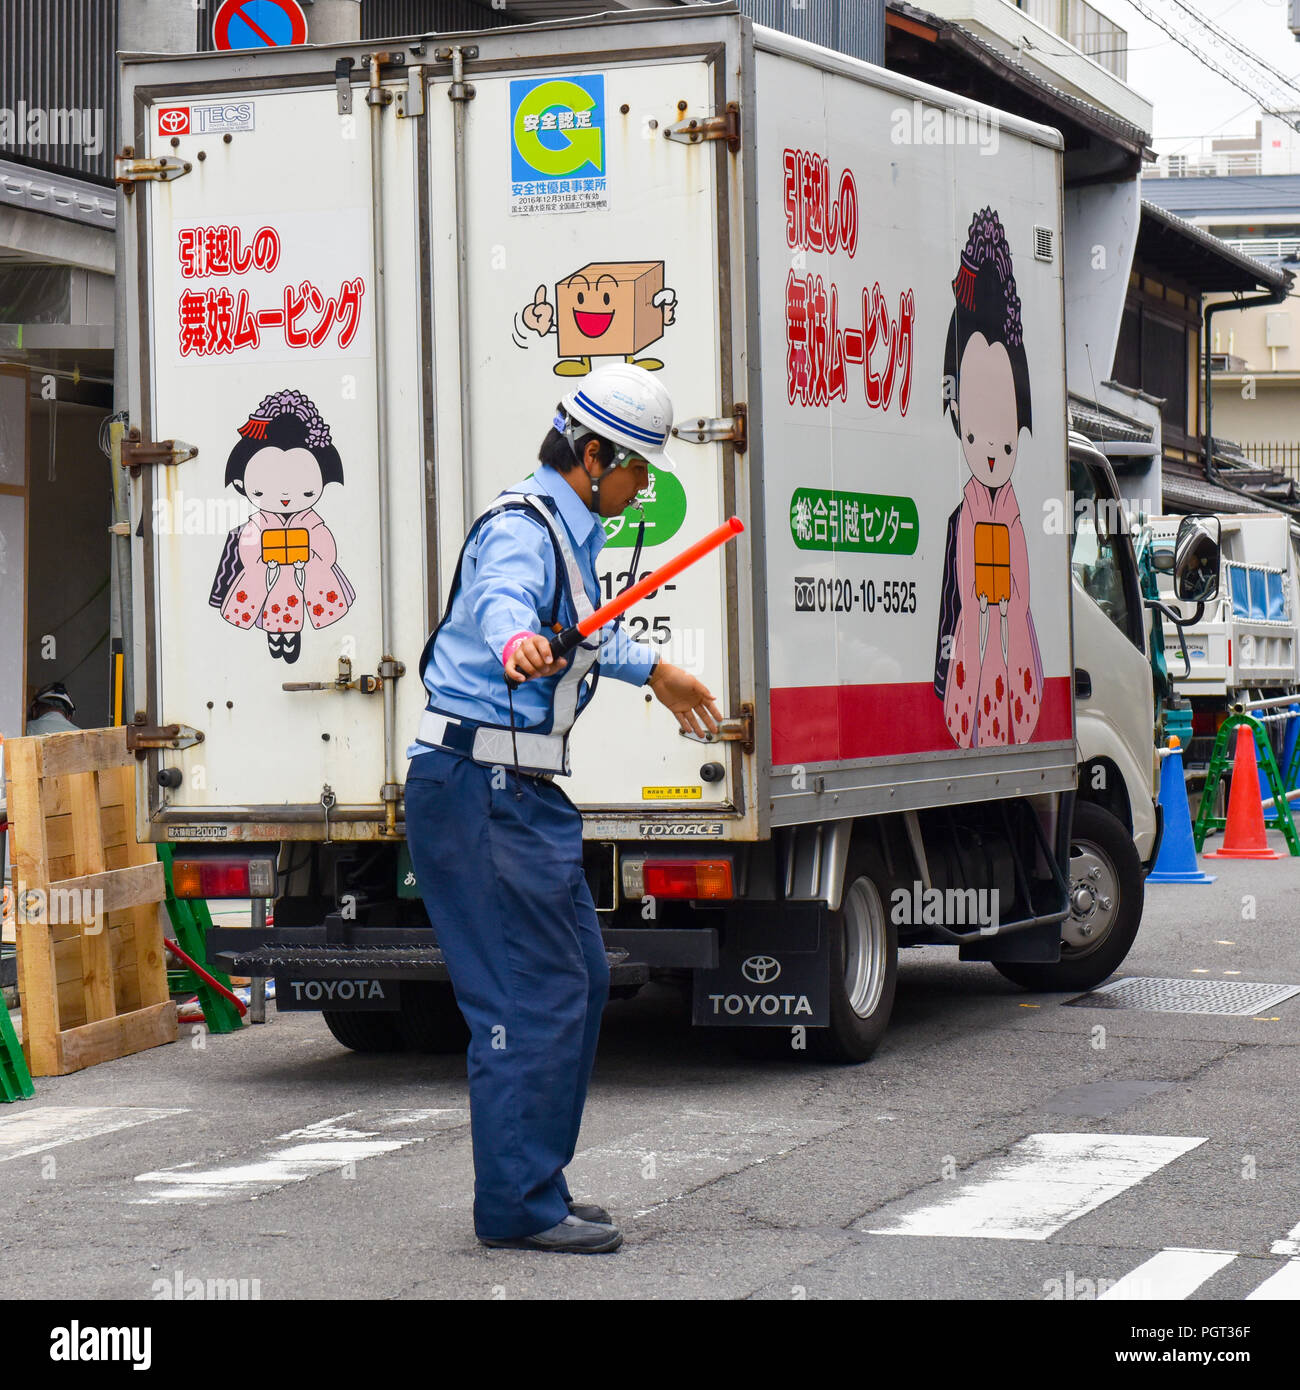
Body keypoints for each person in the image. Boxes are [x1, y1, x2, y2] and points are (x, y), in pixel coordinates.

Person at [404, 363, 720, 1254]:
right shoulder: (522, 528)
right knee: (531, 996)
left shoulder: (564, 528)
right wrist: (513, 642)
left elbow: (587, 626)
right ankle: (516, 1205)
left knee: (573, 980)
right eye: (637, 471)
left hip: (516, 793)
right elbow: (504, 602)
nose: (642, 487)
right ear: (593, 457)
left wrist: (655, 672)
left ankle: (535, 1176)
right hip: (484, 790)